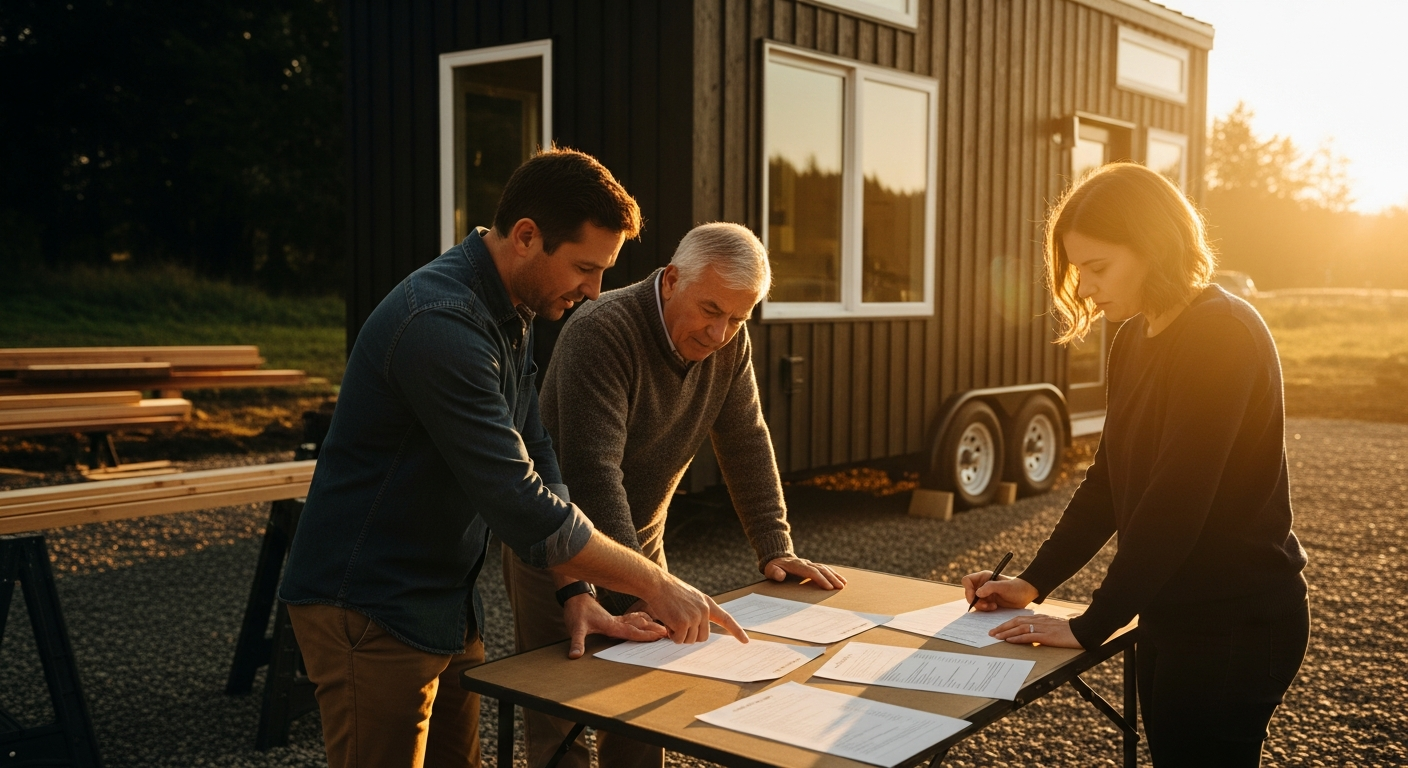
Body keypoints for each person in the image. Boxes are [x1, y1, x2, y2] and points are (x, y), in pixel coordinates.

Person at [278, 149, 746, 768]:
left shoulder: (508, 310)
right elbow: (518, 499)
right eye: (585, 267)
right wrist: (658, 584)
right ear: (527, 236)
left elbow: (540, 453)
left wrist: (575, 589)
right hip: (369, 607)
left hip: (443, 602)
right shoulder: (440, 322)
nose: (594, 290)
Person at [963, 162, 1310, 767]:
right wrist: (1035, 582)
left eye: (1099, 267)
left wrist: (1093, 622)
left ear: (1155, 248)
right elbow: (1107, 484)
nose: (1086, 286)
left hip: (1238, 620)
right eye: (1077, 269)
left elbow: (1177, 499)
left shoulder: (1220, 335)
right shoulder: (1133, 338)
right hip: (1172, 608)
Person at [506, 222, 847, 768]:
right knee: (561, 719)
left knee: (642, 720)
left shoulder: (730, 346)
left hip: (643, 547)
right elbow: (594, 473)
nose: (720, 334)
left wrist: (774, 546)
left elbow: (746, 441)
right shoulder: (602, 331)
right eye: (710, 310)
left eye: (738, 318)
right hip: (560, 552)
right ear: (670, 281)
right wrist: (650, 589)